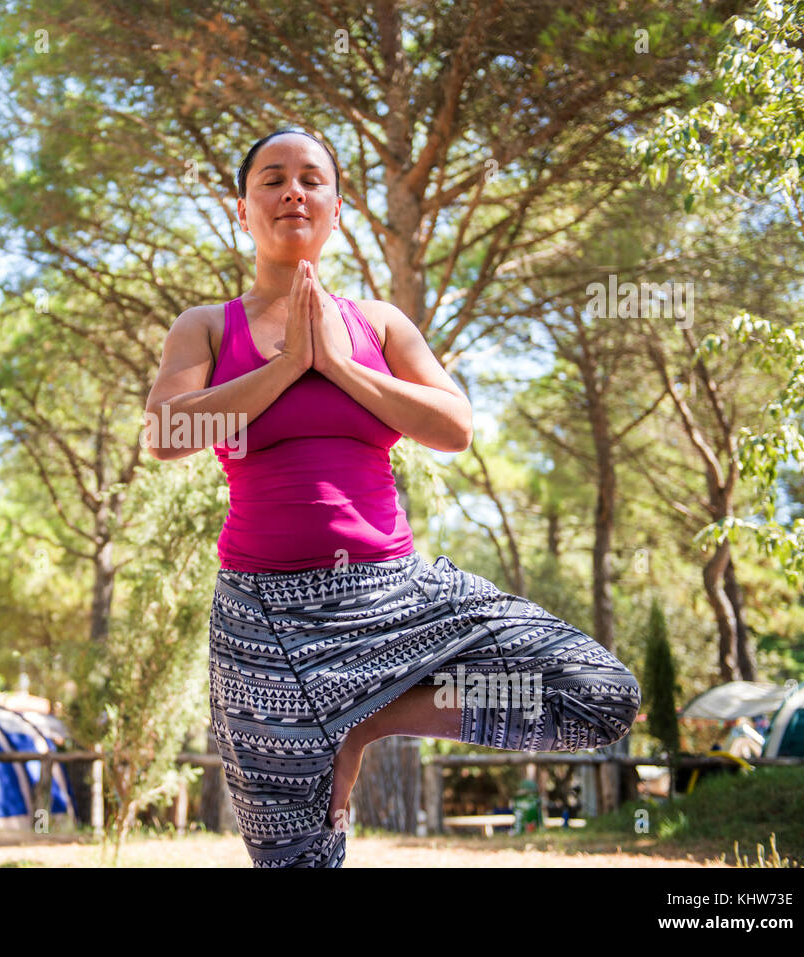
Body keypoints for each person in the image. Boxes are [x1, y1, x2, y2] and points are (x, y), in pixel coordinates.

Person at [142, 128, 641, 868]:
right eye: (272, 179)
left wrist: (342, 368)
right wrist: (286, 367)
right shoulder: (209, 327)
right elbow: (167, 432)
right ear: (240, 210)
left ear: (337, 208)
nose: (292, 192)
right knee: (302, 864)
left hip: (397, 597)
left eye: (312, 179)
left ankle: (361, 720)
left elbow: (454, 426)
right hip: (266, 627)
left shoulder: (377, 324)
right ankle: (335, 718)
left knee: (597, 692)